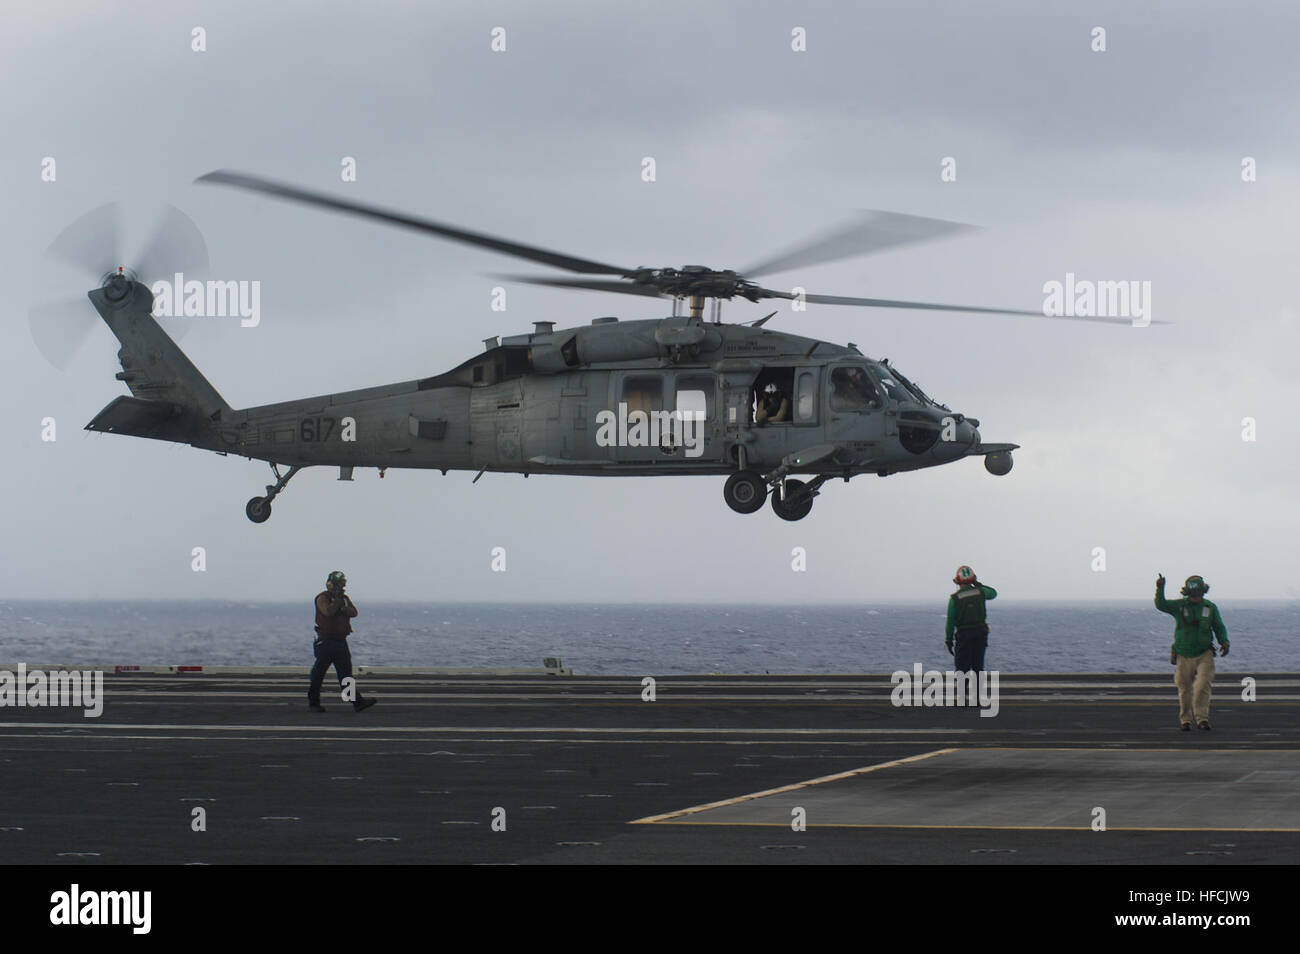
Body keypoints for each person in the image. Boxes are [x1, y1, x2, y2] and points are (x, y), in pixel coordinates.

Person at [1154, 573, 1228, 731]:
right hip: (1183, 654)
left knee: (1202, 685)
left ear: (1203, 592)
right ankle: (1186, 720)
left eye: (1198, 594)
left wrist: (1224, 641)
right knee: (1184, 688)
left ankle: (1202, 719)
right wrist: (1160, 588)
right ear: (1187, 593)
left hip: (1204, 654)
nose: (1196, 597)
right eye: (1193, 594)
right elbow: (1161, 605)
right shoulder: (1179, 606)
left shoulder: (1210, 607)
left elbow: (1218, 626)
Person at [308, 570, 376, 712]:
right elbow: (328, 612)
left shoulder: (344, 598)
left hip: (340, 642)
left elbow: (354, 612)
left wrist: (343, 606)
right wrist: (339, 603)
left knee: (346, 675)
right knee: (318, 674)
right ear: (330, 584)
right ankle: (313, 703)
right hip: (325, 643)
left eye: (342, 584)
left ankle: (356, 702)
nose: (341, 587)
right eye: (338, 584)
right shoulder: (322, 598)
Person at [945, 565, 997, 673]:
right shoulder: (980, 591)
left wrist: (949, 640)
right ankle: (978, 690)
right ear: (972, 579)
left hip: (964, 636)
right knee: (978, 667)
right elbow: (993, 593)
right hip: (980, 634)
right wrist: (977, 584)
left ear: (958, 582)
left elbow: (950, 622)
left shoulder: (954, 599)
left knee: (962, 670)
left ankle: (962, 690)